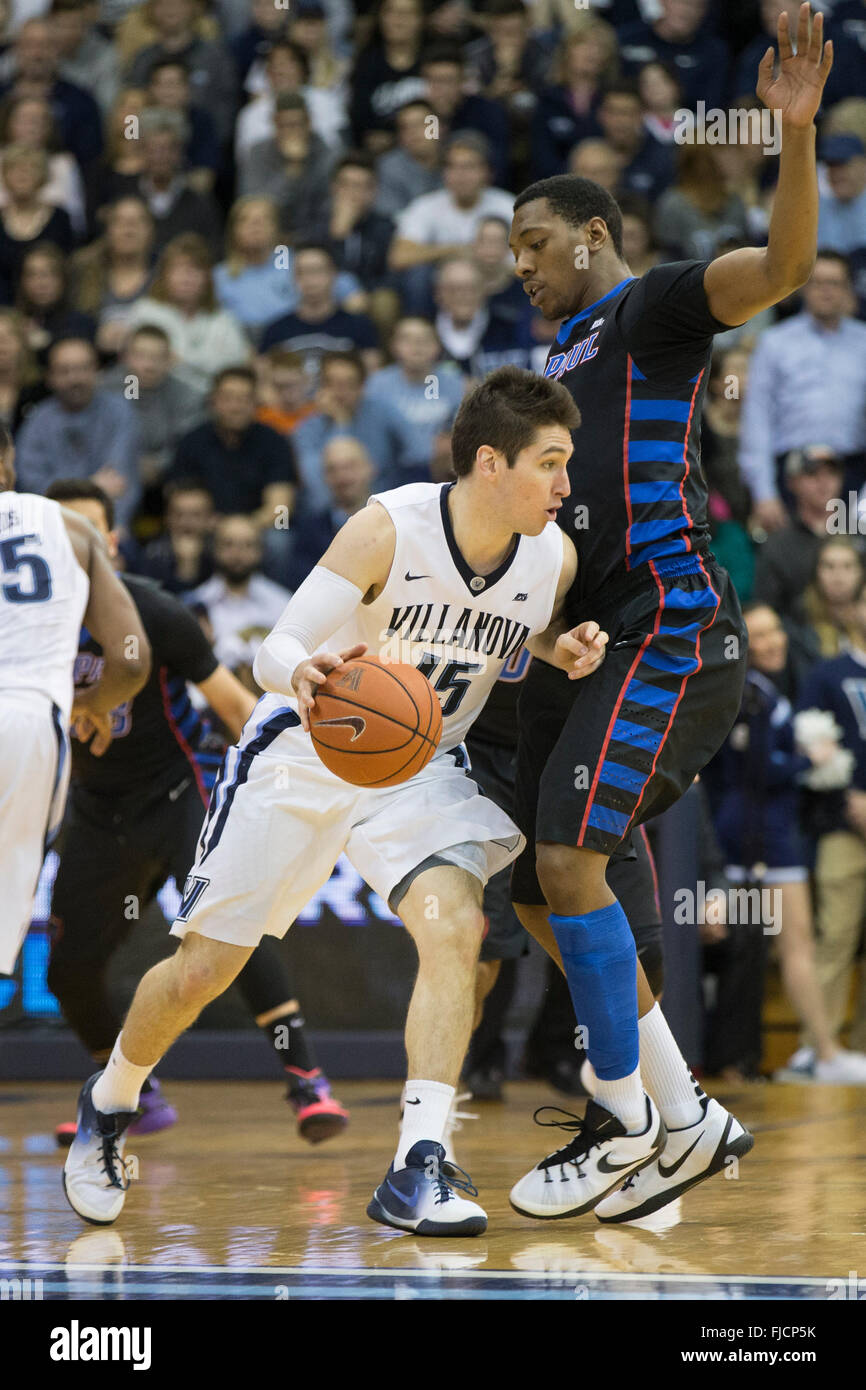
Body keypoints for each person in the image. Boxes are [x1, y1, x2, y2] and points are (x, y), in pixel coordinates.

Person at [61, 363, 609, 1232]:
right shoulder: (387, 527)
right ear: (490, 465)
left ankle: (418, 1161)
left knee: (456, 926)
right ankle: (112, 1095)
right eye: (550, 461)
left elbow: (518, 626)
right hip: (306, 752)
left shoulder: (553, 556)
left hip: (418, 767)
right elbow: (272, 650)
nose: (566, 484)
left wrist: (560, 647)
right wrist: (305, 673)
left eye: (567, 461)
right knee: (206, 969)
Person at [504, 2, 833, 1225]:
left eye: (534, 244)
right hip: (585, 644)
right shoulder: (558, 364)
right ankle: (674, 1117)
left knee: (567, 857)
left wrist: (790, 138)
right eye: (512, 254)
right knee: (535, 889)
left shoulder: (646, 311)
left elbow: (783, 267)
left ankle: (627, 1114)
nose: (522, 266)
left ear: (592, 236)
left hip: (671, 625)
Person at [43, 478, 346, 1145]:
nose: (73, 547)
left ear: (112, 544)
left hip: (181, 791)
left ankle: (306, 1079)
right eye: (60, 532)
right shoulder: (28, 624)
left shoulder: (157, 614)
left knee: (227, 928)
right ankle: (132, 1093)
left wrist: (282, 798)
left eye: (87, 533)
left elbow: (237, 709)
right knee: (67, 970)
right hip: (99, 810)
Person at [0, 430, 150, 978]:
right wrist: (87, 703)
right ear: (8, 464)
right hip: (27, 723)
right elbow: (131, 661)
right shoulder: (71, 527)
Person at [702, 601, 866, 1085]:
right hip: (760, 835)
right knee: (795, 947)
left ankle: (807, 1051)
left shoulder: (765, 690)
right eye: (760, 636)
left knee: (767, 948)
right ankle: (823, 1053)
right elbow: (757, 773)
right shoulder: (749, 694)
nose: (773, 642)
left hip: (763, 830)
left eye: (776, 631)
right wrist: (810, 761)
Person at [739, 252, 866, 526]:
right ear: (804, 288)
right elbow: (757, 418)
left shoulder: (864, 342)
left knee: (852, 566)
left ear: (848, 289)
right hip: (792, 472)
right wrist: (764, 492)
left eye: (835, 283)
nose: (826, 291)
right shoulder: (774, 342)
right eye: (818, 282)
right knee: (794, 563)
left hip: (853, 471)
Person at [15, 335, 143, 530]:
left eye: (83, 369)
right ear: (50, 377)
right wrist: (90, 485)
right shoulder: (36, 422)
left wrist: (104, 529)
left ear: (97, 371)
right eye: (64, 371)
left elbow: (119, 483)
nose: (75, 379)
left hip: (109, 526)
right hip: (51, 530)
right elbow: (31, 488)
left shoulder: (120, 412)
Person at [167, 366, 297, 531]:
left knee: (279, 540)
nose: (236, 407)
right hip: (205, 527)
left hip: (257, 529)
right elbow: (179, 499)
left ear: (256, 403)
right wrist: (213, 525)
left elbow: (281, 509)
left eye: (244, 399)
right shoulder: (192, 441)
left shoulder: (274, 441)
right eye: (227, 399)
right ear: (213, 401)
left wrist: (241, 528)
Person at [125, 233, 251, 394]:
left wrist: (181, 361)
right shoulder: (145, 312)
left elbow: (235, 367)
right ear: (164, 275)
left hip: (215, 403)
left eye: (195, 271)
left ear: (207, 278)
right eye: (178, 270)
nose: (186, 278)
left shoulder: (224, 318)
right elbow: (137, 366)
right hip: (157, 399)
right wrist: (209, 363)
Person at [188, 513, 292, 679]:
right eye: (228, 544)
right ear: (215, 549)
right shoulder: (195, 603)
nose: (238, 553)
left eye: (248, 545)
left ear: (260, 551)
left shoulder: (283, 603)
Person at [258, 242, 380, 379]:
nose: (310, 280)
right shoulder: (275, 330)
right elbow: (264, 383)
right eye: (302, 272)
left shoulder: (360, 326)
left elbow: (370, 380)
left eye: (317, 271)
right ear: (293, 278)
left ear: (333, 274)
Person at [752, 446, 848, 620]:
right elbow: (768, 610)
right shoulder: (777, 545)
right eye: (813, 474)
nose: (824, 481)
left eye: (831, 473)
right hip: (799, 638)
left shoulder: (858, 533)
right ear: (792, 482)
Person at [283, 434, 374, 590]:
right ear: (324, 477)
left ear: (370, 468)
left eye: (350, 467)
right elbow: (303, 586)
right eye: (332, 470)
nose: (342, 477)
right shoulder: (308, 532)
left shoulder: (394, 523)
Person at [139, 478, 215, 594]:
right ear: (167, 518)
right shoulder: (151, 554)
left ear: (210, 519)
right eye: (179, 515)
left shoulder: (220, 553)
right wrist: (186, 567)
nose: (186, 522)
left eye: (196, 515)